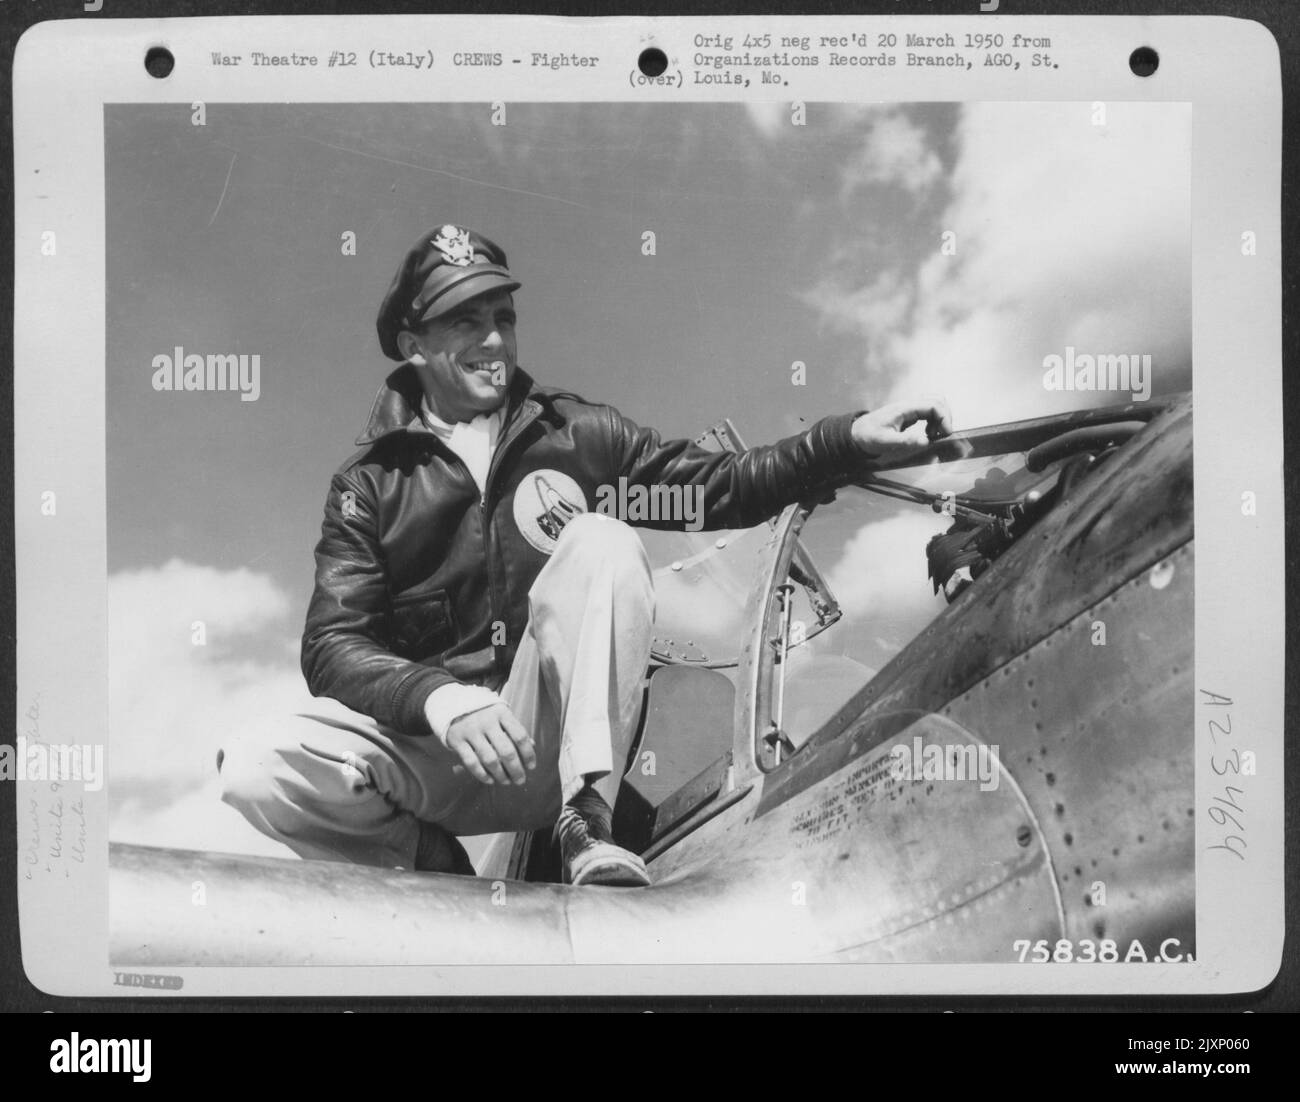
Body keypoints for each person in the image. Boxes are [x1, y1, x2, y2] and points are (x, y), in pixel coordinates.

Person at [218, 223, 951, 887]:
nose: (496, 340)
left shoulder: (580, 434)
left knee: (599, 537)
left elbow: (716, 487)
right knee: (254, 760)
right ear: (414, 345)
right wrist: (439, 700)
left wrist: (845, 439)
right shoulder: (369, 485)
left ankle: (584, 820)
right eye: (466, 321)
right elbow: (332, 643)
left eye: (503, 317)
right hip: (437, 748)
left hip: (548, 743)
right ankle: (431, 867)